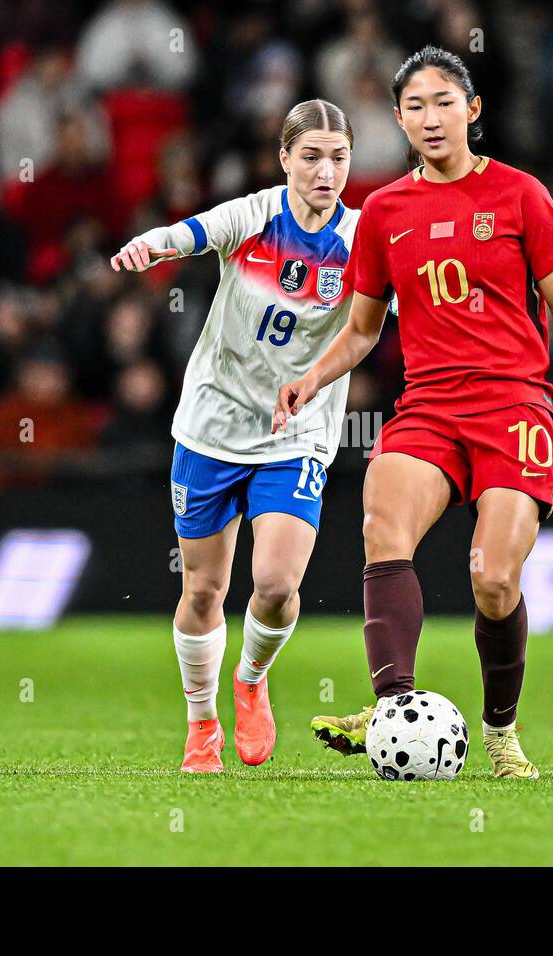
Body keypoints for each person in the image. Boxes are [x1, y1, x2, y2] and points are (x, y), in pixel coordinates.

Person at [273, 47, 553, 779]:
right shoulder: (384, 212)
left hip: (514, 403)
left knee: (492, 578)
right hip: (427, 406)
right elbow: (362, 329)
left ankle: (500, 731)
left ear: (473, 110)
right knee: (380, 525)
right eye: (415, 106)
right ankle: (392, 706)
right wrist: (311, 377)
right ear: (397, 118)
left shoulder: (522, 196)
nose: (430, 118)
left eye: (444, 103)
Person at [110, 100, 360, 773]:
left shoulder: (365, 239)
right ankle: (201, 725)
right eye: (311, 156)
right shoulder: (256, 215)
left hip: (296, 432)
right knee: (202, 591)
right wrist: (155, 242)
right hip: (213, 425)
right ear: (284, 160)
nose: (325, 170)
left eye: (338, 156)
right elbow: (193, 231)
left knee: (276, 584)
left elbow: (390, 313)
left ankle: (251, 679)